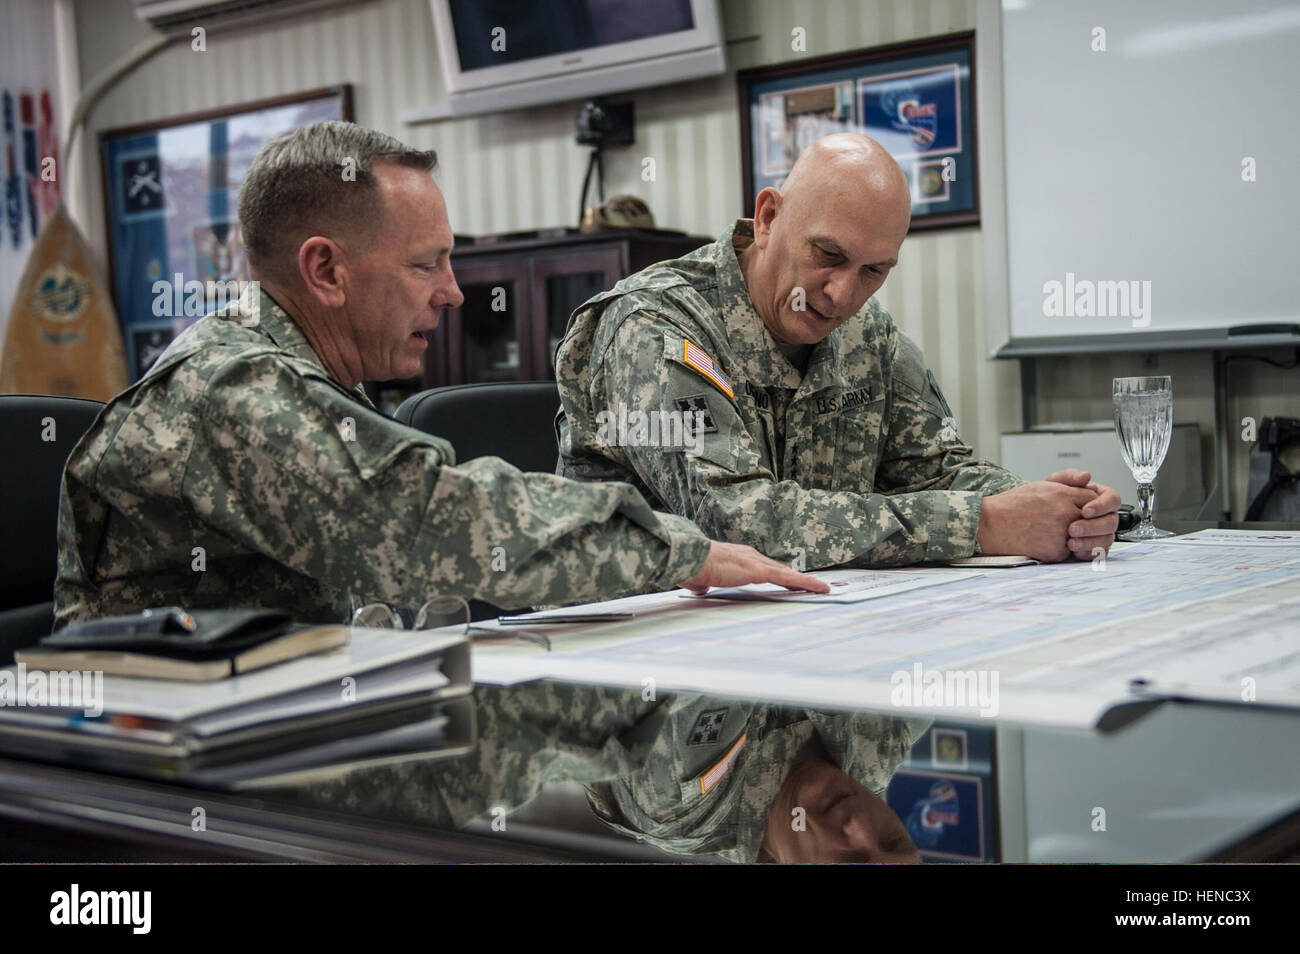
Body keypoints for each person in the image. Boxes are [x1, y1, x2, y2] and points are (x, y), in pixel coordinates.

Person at [53, 121, 828, 629]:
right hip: (149, 787)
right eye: (426, 264)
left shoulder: (300, 371)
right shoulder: (231, 389)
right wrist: (678, 550)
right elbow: (424, 518)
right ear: (325, 269)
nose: (454, 291)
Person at [555, 133, 1121, 569]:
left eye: (873, 271)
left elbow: (934, 471)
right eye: (827, 255)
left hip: (808, 637)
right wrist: (982, 524)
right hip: (646, 661)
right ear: (770, 218)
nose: (843, 295)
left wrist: (1058, 509)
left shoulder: (867, 333)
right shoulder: (655, 327)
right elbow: (731, 520)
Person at [280, 679, 928, 864]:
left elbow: (723, 641)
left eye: (850, 864)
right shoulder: (871, 755)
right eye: (894, 842)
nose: (860, 829)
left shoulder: (685, 798)